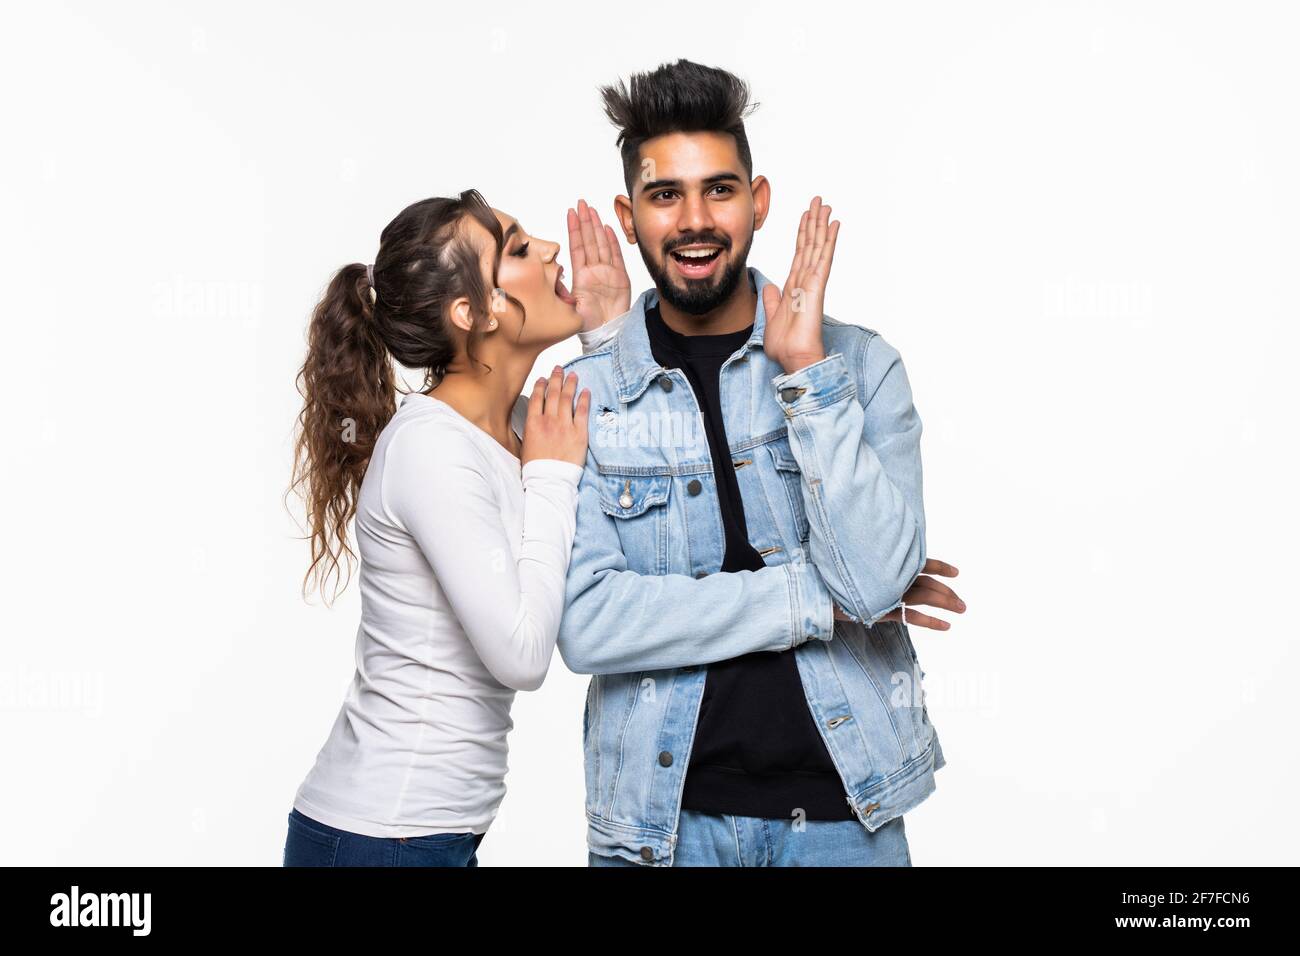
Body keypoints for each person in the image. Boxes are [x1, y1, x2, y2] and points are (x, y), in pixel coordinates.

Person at [557, 60, 967, 867]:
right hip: (659, 830)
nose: (694, 220)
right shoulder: (584, 397)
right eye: (664, 195)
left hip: (848, 818)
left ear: (760, 200)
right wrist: (819, 598)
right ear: (628, 214)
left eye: (719, 189)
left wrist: (808, 375)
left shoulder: (859, 367)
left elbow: (877, 582)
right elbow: (588, 624)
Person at [283, 190, 630, 866]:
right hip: (380, 837)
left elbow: (641, 480)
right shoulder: (431, 450)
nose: (553, 250)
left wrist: (606, 335)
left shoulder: (526, 427)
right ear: (471, 313)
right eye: (521, 250)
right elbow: (522, 655)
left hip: (424, 836)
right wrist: (553, 478)